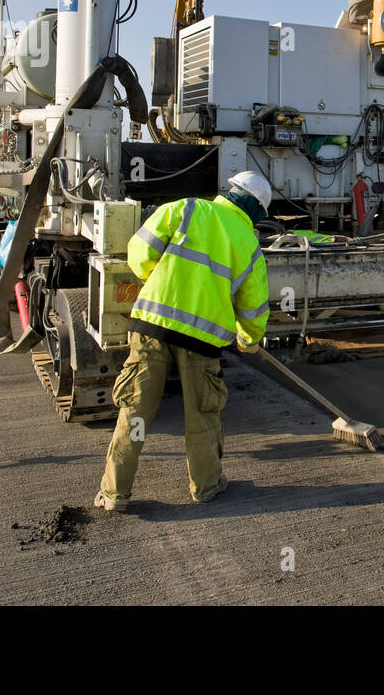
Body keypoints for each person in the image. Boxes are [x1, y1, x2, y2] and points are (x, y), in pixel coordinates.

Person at [95, 170, 272, 511]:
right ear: (256, 211)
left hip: (152, 330)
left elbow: (141, 252)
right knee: (202, 417)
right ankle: (206, 487)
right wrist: (248, 341)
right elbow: (253, 309)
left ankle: (115, 493)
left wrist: (157, 277)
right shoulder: (248, 244)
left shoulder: (186, 208)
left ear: (230, 192)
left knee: (135, 413)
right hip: (202, 345)